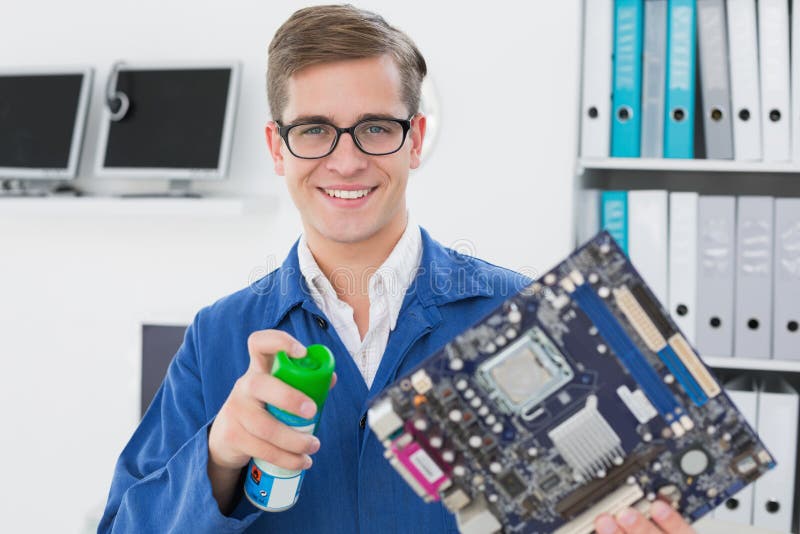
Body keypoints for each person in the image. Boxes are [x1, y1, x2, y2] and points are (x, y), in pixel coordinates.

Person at [99, 5, 696, 534]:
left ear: (415, 140)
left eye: (376, 128)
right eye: (313, 131)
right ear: (278, 148)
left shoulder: (525, 313)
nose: (347, 160)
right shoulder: (216, 337)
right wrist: (218, 455)